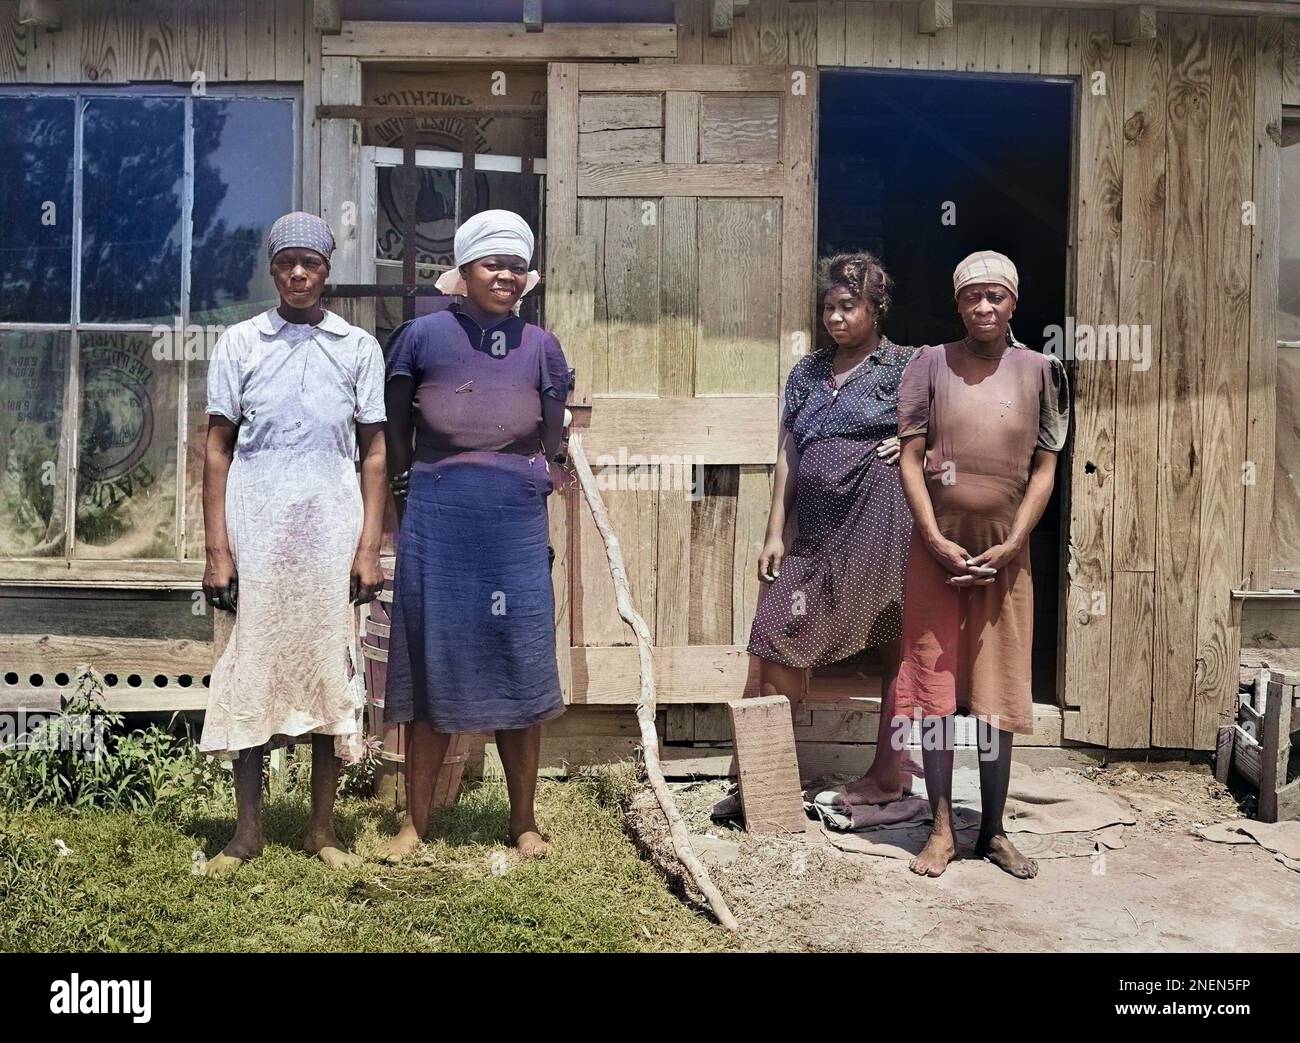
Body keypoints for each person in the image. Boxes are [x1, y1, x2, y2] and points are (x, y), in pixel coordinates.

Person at [200, 211, 388, 877]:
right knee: (252, 667)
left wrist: (368, 546)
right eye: (286, 263)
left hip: (330, 532)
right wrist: (218, 548)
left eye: (310, 262)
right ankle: (246, 832)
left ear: (327, 269)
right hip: (258, 529)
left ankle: (321, 829)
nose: (299, 273)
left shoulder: (357, 348)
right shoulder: (241, 343)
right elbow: (218, 448)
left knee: (323, 668)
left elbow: (373, 455)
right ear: (272, 269)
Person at [378, 209, 569, 862]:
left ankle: (523, 821)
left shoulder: (540, 346)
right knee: (430, 667)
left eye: (518, 266)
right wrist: (406, 500)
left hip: (514, 527)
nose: (508, 276)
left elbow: (555, 436)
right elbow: (394, 432)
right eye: (494, 263)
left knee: (520, 660)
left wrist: (543, 480)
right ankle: (416, 822)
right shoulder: (421, 337)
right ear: (463, 269)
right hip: (437, 523)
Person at [714, 252, 917, 821]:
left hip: (879, 519)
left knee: (891, 639)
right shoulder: (807, 371)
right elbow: (788, 451)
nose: (835, 318)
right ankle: (766, 778)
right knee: (776, 631)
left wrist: (912, 445)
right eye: (829, 307)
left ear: (875, 309)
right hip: (814, 528)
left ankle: (887, 773)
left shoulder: (905, 366)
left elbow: (947, 423)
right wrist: (775, 530)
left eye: (848, 307)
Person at [894, 250, 1070, 879]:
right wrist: (934, 536)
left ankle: (992, 829)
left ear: (1013, 304)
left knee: (997, 696)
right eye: (973, 296)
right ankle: (940, 828)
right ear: (958, 304)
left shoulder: (1041, 370)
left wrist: (1016, 542)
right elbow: (911, 457)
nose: (984, 307)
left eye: (996, 296)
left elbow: (1047, 467)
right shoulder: (930, 364)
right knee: (937, 694)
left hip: (1005, 558)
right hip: (934, 553)